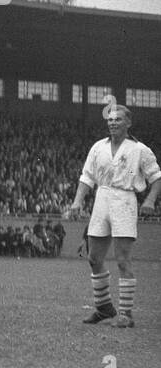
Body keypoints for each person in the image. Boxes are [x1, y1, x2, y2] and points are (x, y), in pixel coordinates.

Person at [69, 105, 160, 328]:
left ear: (128, 123)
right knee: (94, 258)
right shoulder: (98, 147)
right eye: (110, 119)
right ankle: (104, 308)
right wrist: (77, 202)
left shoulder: (140, 149)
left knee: (122, 260)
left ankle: (126, 314)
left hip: (124, 200)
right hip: (102, 197)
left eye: (117, 119)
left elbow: (156, 177)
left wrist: (149, 200)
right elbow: (86, 177)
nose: (112, 123)